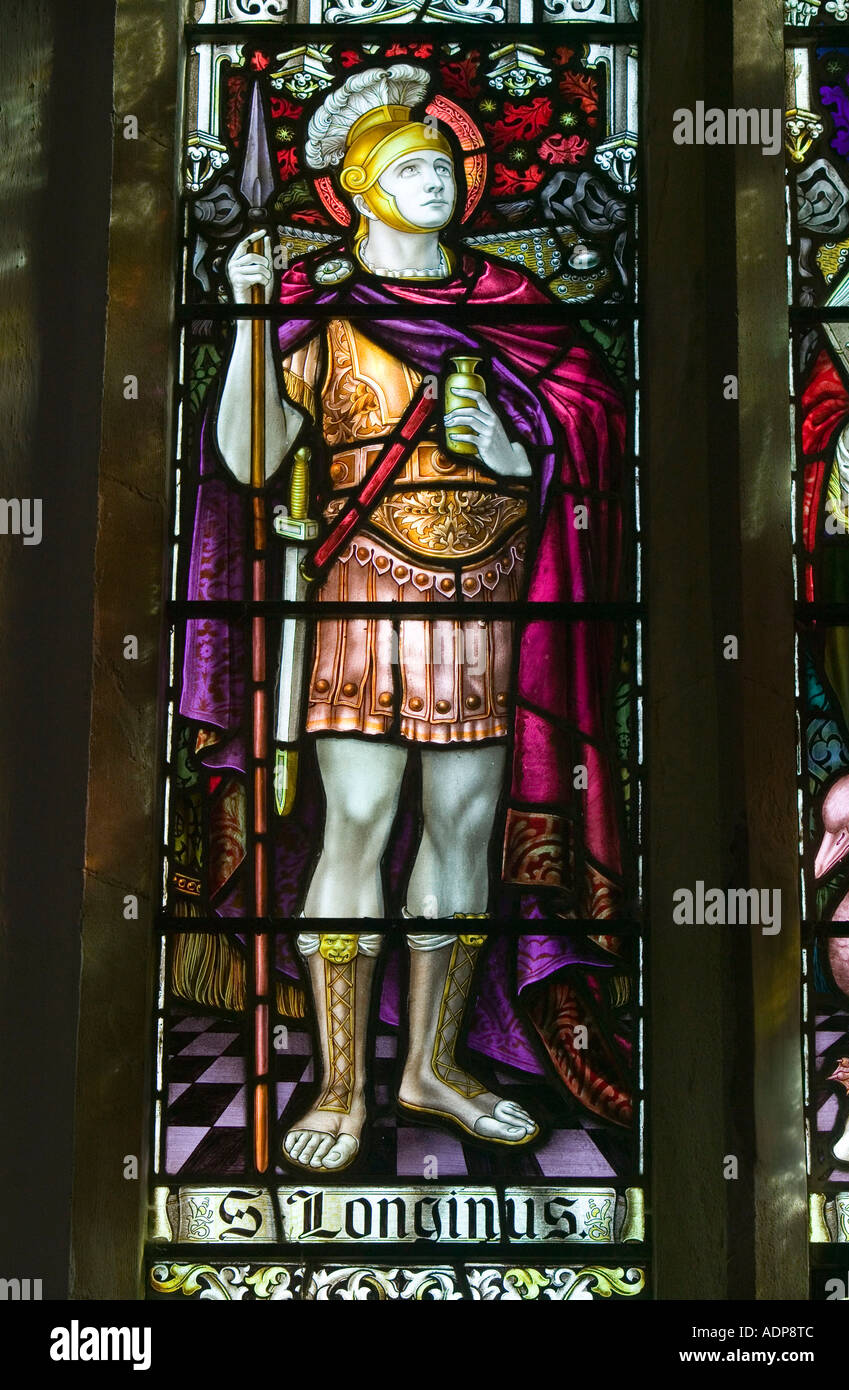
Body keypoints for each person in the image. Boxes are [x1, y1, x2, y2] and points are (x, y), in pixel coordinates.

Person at [184, 64, 630, 1172]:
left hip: (488, 600)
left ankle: (433, 1064)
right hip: (361, 589)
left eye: (445, 165)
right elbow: (248, 458)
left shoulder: (516, 311)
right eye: (412, 168)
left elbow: (586, 435)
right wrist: (247, 319)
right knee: (358, 826)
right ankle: (339, 1083)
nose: (437, 181)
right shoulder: (315, 309)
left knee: (464, 835)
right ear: (362, 189)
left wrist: (517, 451)